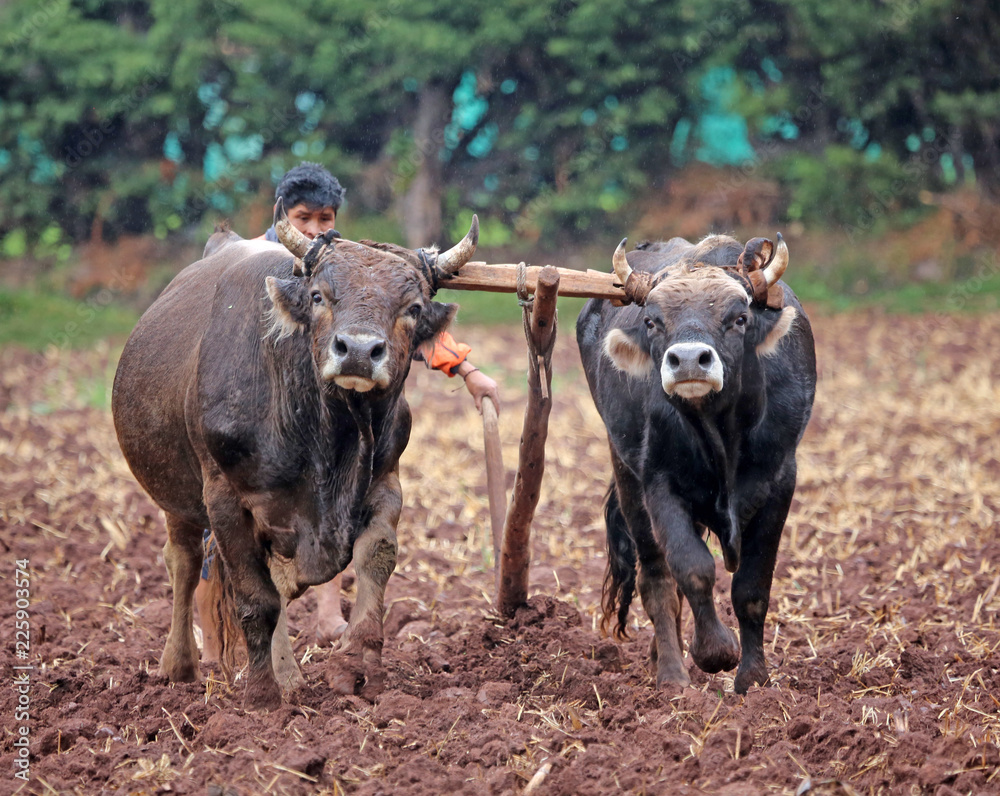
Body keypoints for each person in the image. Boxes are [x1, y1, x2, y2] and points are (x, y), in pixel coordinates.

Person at [195, 162, 499, 661]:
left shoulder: (343, 262)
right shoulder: (254, 264)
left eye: (325, 218)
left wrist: (466, 370)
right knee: (218, 527)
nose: (315, 229)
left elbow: (401, 321)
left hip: (324, 416)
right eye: (303, 218)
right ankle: (213, 641)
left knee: (335, 497)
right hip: (261, 414)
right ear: (281, 215)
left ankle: (329, 613)